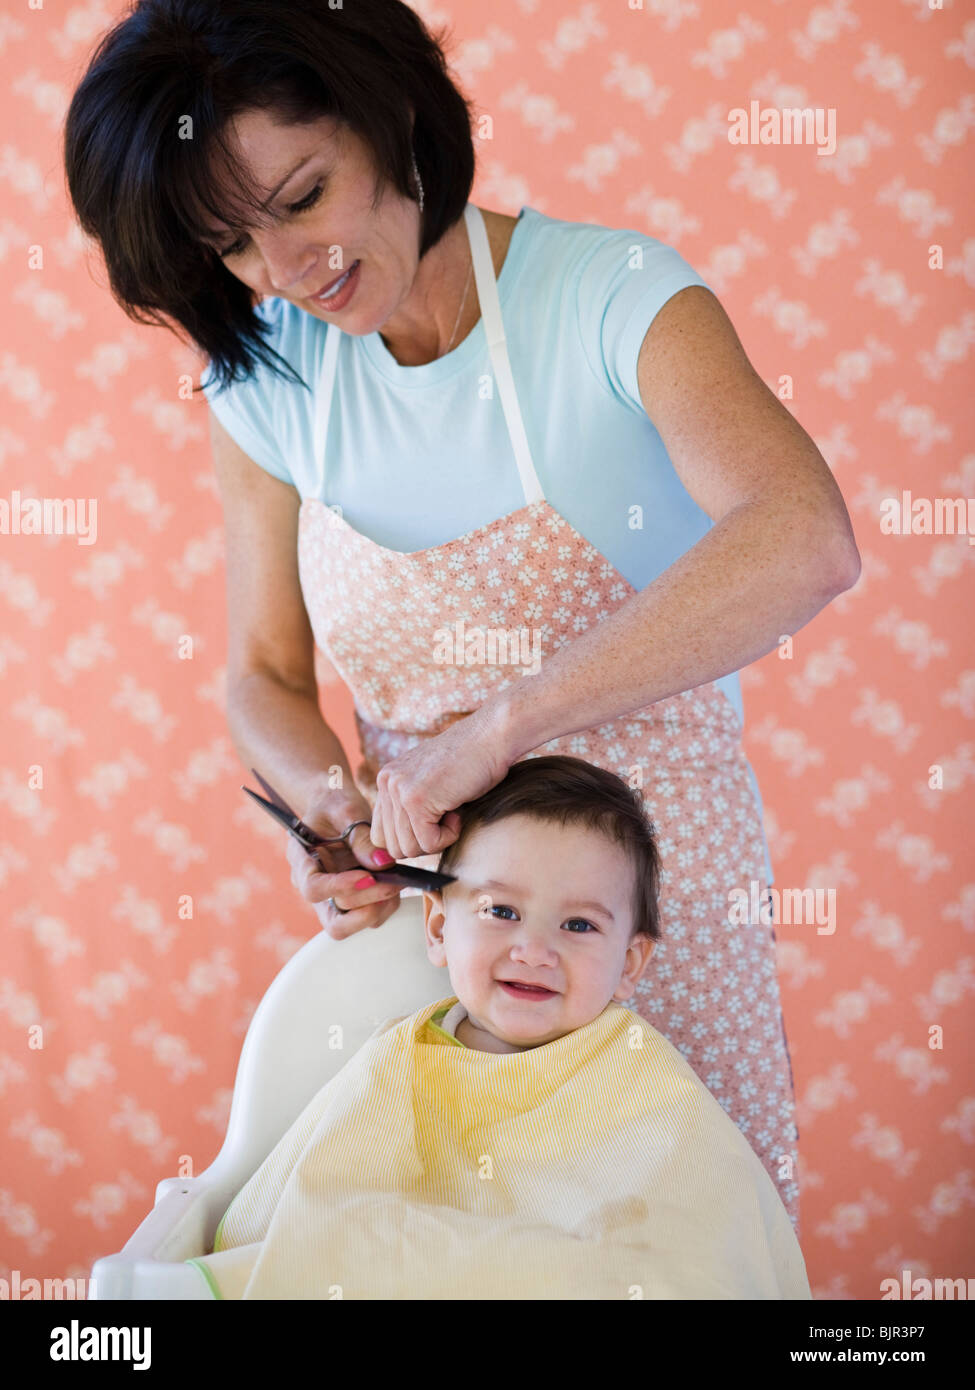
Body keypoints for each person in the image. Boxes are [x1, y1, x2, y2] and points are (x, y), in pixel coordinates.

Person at [63, 0, 862, 1235]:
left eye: (303, 194)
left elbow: (803, 536)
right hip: (444, 936)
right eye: (232, 247)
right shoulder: (270, 385)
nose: (285, 270)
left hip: (650, 916)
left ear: (386, 116)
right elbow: (264, 672)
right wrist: (331, 806)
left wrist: (500, 727)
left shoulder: (613, 299)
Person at [183, 755, 812, 1300]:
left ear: (630, 963)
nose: (535, 950)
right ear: (436, 928)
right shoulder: (400, 1059)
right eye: (501, 911)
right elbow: (301, 1222)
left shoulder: (647, 1080)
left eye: (579, 925)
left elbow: (703, 1255)